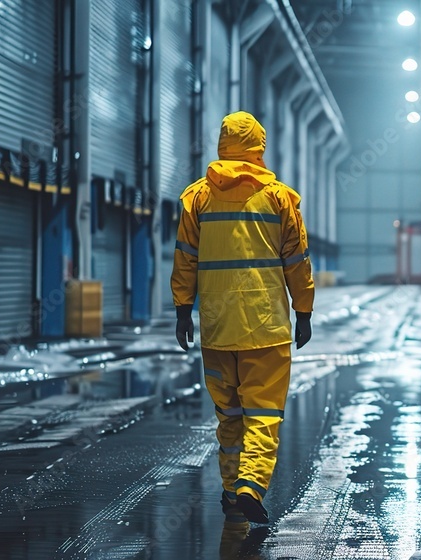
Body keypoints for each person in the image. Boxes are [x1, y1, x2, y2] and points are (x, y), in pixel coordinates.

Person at [171, 111, 315, 525]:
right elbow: (297, 261)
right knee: (263, 414)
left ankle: (232, 489)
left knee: (229, 415)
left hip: (216, 328)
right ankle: (250, 485)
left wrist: (184, 309)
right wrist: (303, 310)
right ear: (258, 147)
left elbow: (185, 258)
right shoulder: (279, 198)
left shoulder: (197, 197)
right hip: (266, 327)